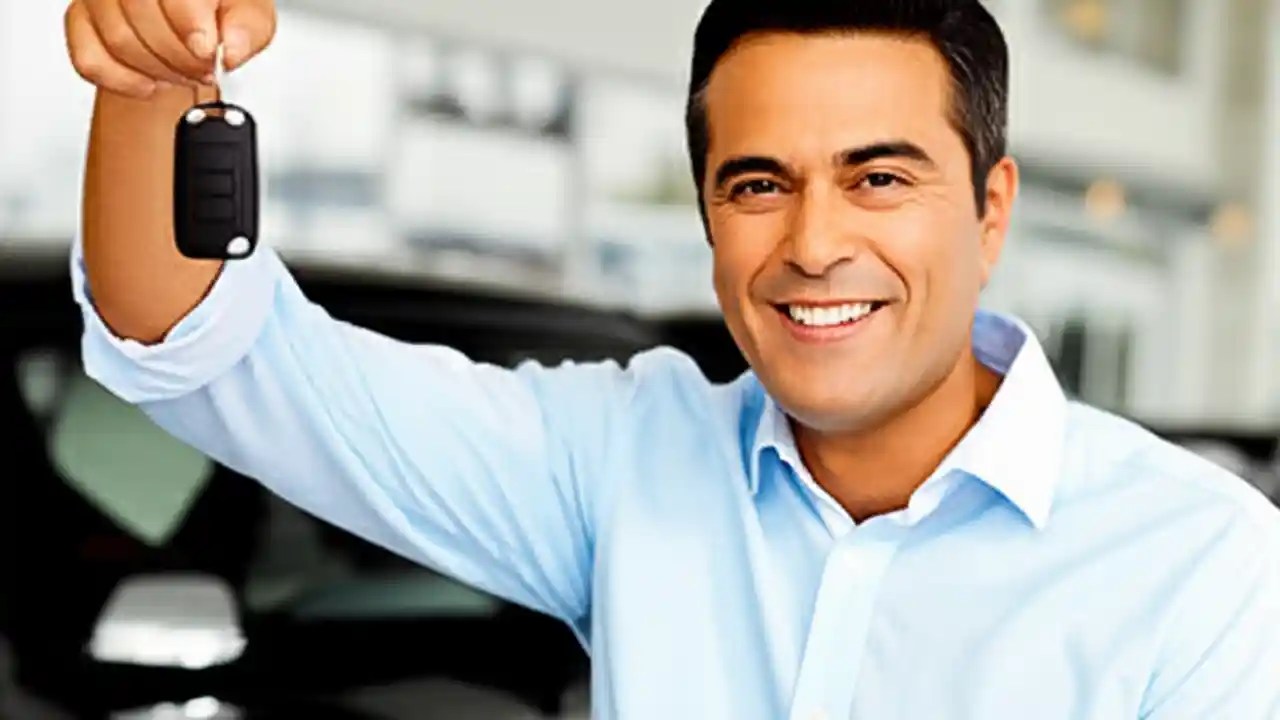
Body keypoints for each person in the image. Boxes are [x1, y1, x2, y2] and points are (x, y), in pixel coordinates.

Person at [63, 0, 1280, 717]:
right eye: (758, 185)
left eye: (877, 179)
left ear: (989, 209)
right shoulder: (622, 461)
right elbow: (210, 350)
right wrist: (153, 83)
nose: (812, 244)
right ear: (706, 216)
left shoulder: (1200, 563)